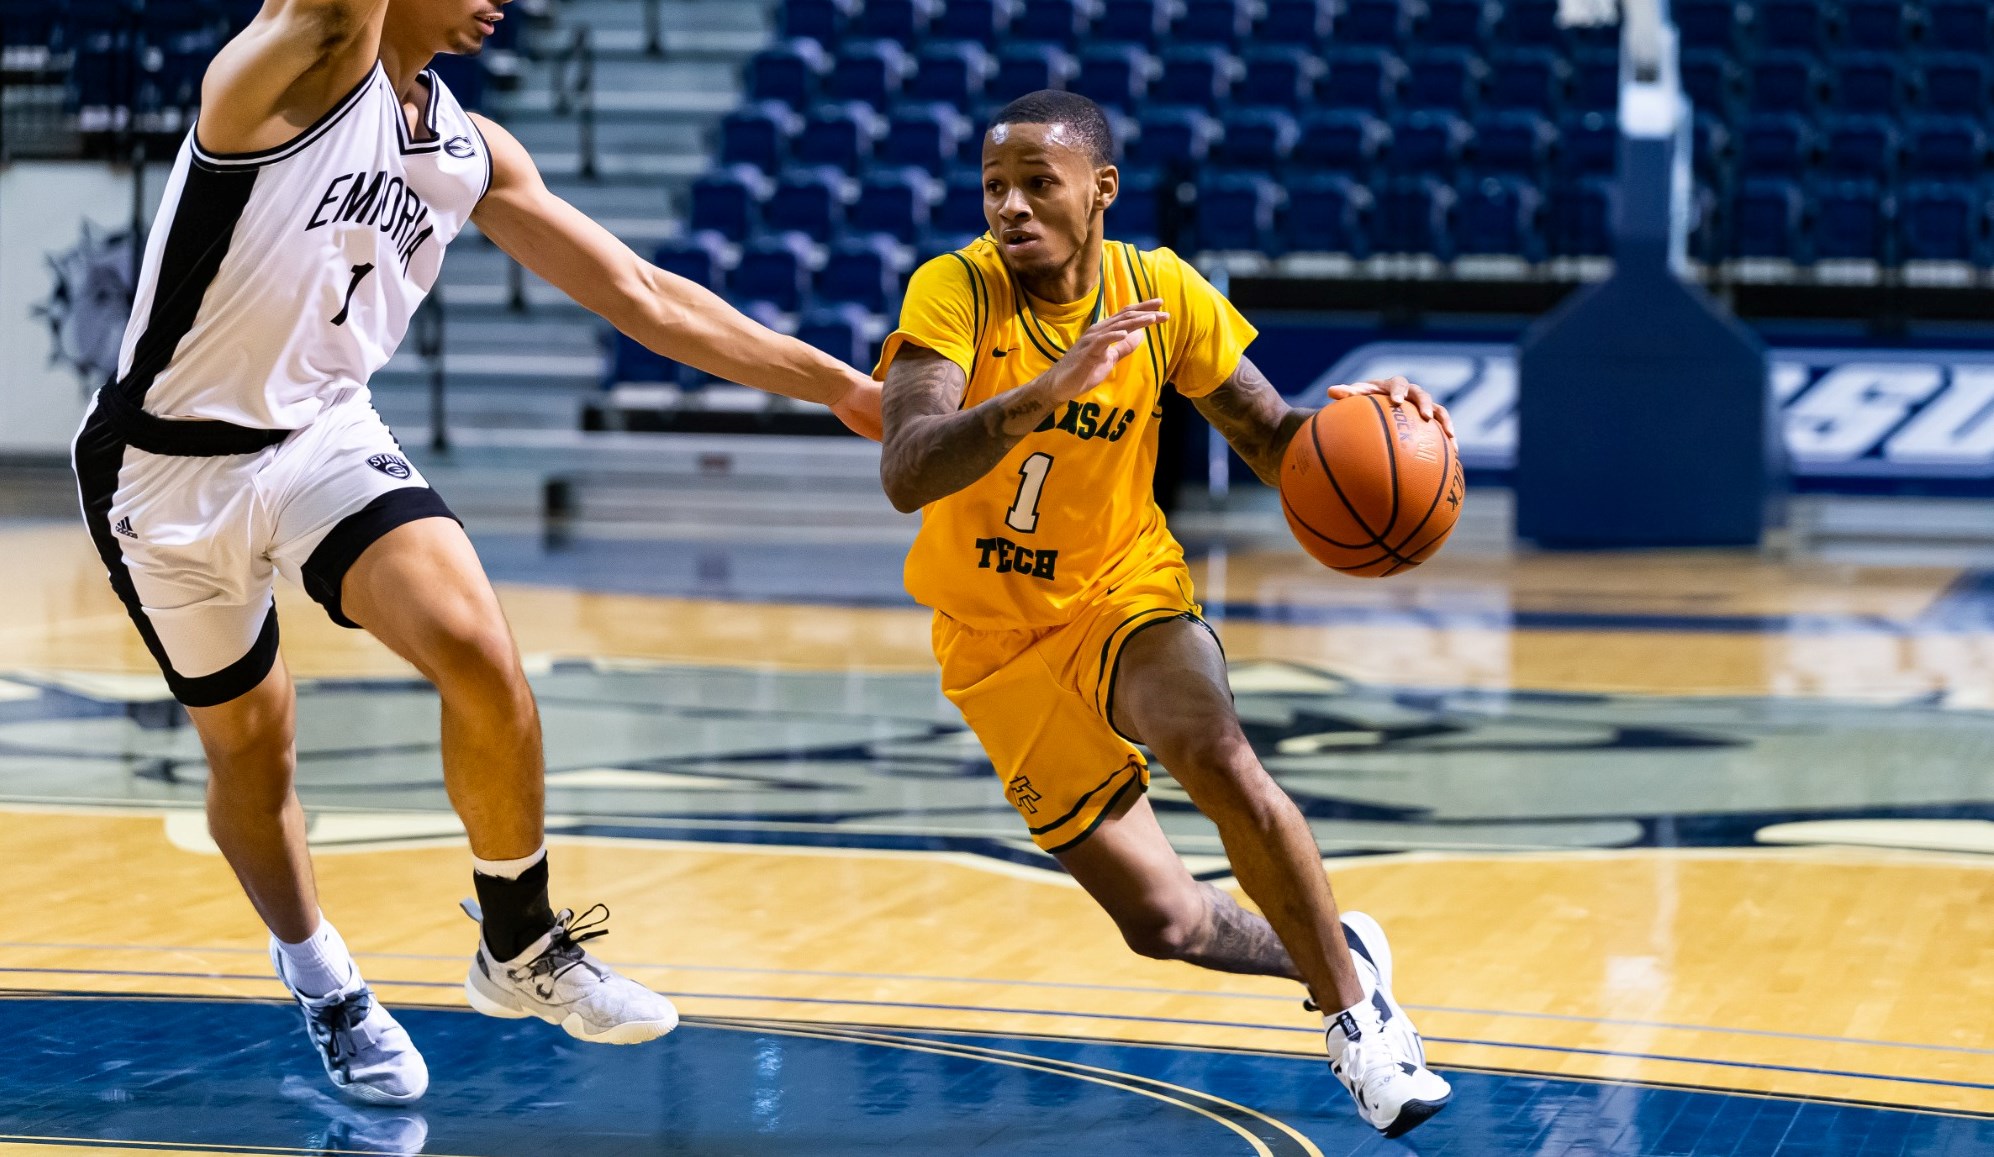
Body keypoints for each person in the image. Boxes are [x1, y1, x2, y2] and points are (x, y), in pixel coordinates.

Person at [71, 0, 881, 1105]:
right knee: (254, 758)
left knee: (479, 649)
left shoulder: (472, 149)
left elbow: (642, 295)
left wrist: (837, 385)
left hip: (321, 437)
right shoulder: (294, 66)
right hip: (163, 470)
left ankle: (519, 943)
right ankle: (322, 977)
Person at [875, 90, 1457, 1138]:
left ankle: (1361, 1023)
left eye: (1035, 183)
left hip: (1121, 592)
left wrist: (1375, 432)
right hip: (991, 642)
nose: (1009, 206)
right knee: (1164, 920)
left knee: (1210, 742)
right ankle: (1329, 943)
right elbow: (908, 468)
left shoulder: (1160, 291)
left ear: (1099, 189)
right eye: (992, 186)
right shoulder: (953, 290)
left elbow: (1276, 439)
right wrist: (1040, 392)